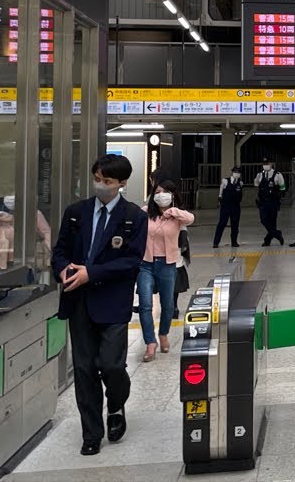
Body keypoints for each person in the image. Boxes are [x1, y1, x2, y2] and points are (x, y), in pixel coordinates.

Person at [52, 154, 148, 456]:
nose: (100, 185)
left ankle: (116, 402)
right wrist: (64, 269)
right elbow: (60, 251)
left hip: (113, 301)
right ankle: (91, 434)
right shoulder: (75, 213)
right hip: (78, 301)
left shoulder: (134, 217)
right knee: (83, 369)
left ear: (121, 183)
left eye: (107, 181)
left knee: (111, 365)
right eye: (97, 179)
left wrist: (90, 273)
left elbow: (132, 261)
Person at [139, 180, 193, 362]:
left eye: (166, 192)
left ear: (172, 195)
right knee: (145, 304)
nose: (161, 195)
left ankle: (163, 334)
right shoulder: (146, 212)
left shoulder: (177, 216)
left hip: (168, 264)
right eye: (158, 192)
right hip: (145, 263)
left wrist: (174, 210)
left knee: (168, 304)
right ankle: (150, 342)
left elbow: (190, 218)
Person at [0, 193, 52, 275]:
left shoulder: (34, 213)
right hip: (1, 257)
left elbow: (46, 232)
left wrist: (48, 252)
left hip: (26, 256)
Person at [254, 159, 286, 246]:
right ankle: (277, 234)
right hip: (263, 202)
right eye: (264, 163)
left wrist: (280, 199)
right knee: (263, 220)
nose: (265, 165)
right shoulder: (260, 175)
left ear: (271, 164)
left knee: (272, 221)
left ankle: (267, 240)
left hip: (273, 202)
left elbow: (283, 188)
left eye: (267, 163)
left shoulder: (278, 175)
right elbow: (256, 185)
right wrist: (257, 198)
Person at [212, 165, 243, 248]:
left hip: (236, 206)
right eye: (235, 172)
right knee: (222, 223)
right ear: (232, 172)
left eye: (238, 172)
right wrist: (219, 198)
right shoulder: (225, 181)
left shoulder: (240, 183)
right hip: (226, 206)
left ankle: (234, 242)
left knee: (235, 224)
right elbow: (221, 190)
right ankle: (216, 242)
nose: (237, 174)